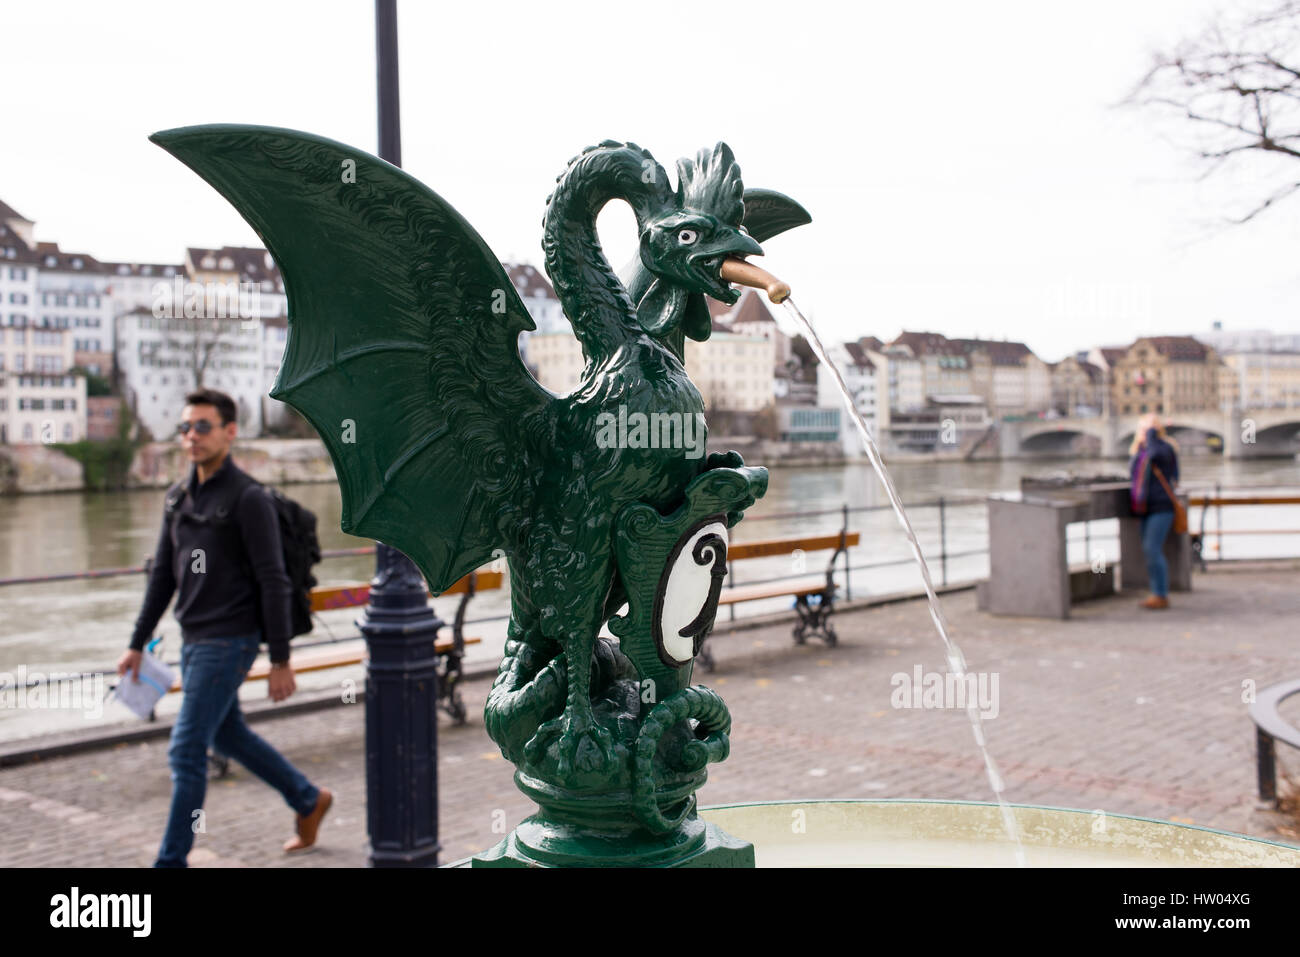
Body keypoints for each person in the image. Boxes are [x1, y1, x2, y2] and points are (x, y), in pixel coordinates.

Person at [117, 388, 331, 866]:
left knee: (185, 750)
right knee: (226, 734)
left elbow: (274, 581)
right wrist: (136, 644)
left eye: (203, 426)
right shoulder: (177, 498)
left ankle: (169, 862)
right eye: (185, 427)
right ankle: (307, 798)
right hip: (193, 642)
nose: (191, 436)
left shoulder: (248, 498)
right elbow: (162, 578)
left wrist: (280, 658)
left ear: (230, 432)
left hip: (230, 642)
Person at [1128, 412, 1181, 610]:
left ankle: (1161, 594)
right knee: (1149, 551)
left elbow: (1157, 456)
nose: (1144, 433)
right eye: (1142, 429)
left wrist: (1151, 433)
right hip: (1143, 507)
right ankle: (1156, 592)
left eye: (1148, 429)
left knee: (1152, 548)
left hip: (1162, 506)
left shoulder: (1165, 448)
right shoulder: (1139, 451)